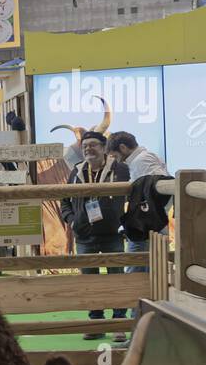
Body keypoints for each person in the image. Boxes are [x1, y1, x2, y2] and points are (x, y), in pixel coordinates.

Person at [59, 131, 130, 343]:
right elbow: (64, 201)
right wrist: (72, 221)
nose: (88, 149)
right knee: (89, 281)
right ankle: (96, 322)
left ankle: (118, 324)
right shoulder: (76, 171)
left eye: (93, 145)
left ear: (103, 147)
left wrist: (123, 221)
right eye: (85, 146)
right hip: (84, 236)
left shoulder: (120, 169)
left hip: (112, 235)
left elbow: (130, 195)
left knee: (116, 279)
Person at [108, 132, 169, 284]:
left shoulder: (142, 161)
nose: (116, 160)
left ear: (122, 147)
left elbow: (154, 194)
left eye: (115, 156)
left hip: (146, 228)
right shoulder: (145, 158)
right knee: (150, 274)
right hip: (151, 226)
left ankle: (138, 307)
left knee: (136, 274)